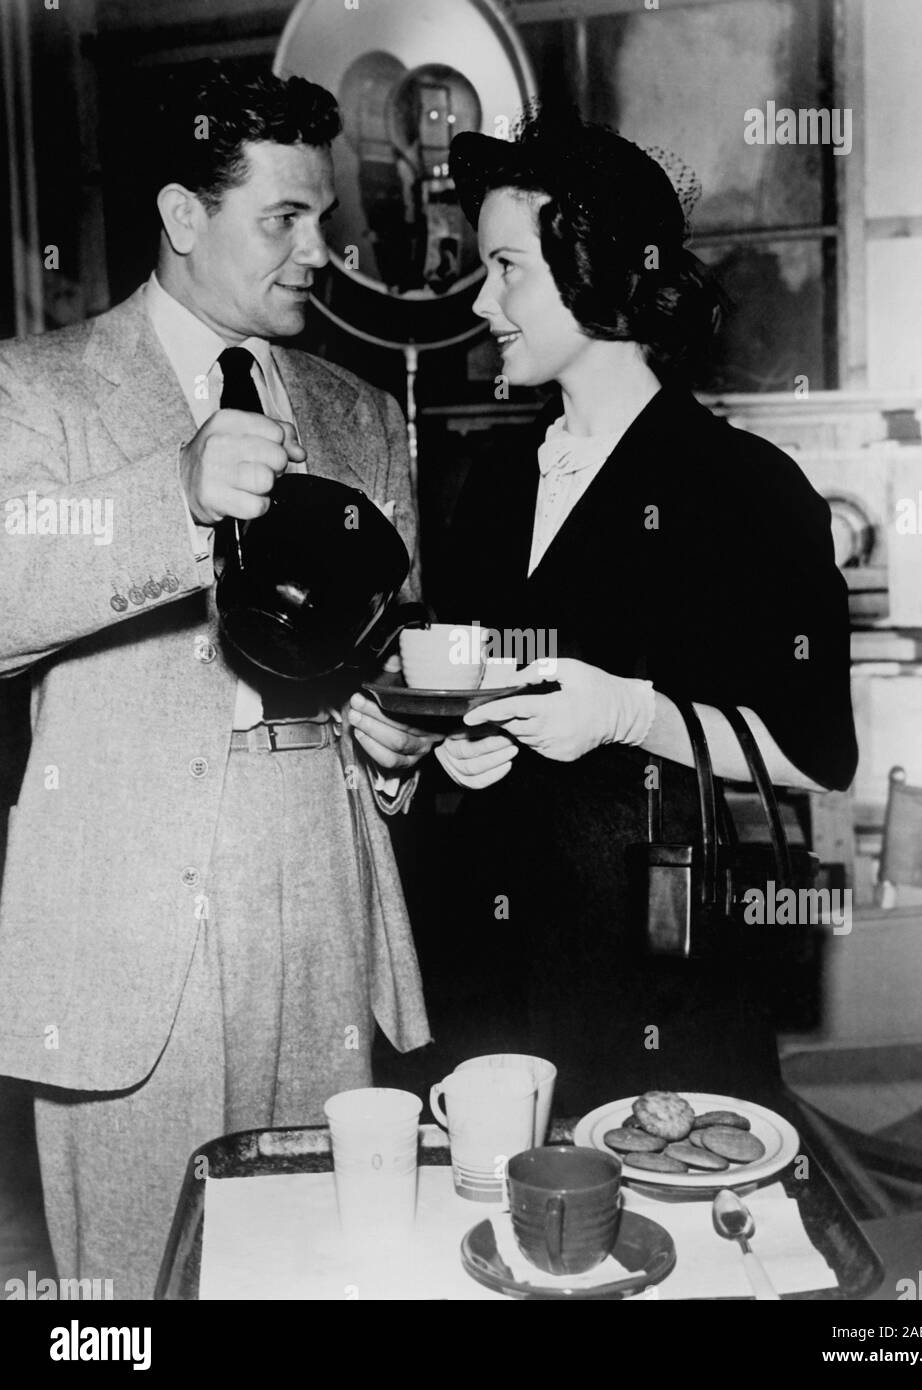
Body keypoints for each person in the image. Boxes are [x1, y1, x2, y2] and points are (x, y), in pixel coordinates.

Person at [0, 68, 440, 1299]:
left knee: (324, 1265)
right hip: (128, 926)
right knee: (136, 1289)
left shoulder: (360, 416)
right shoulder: (36, 391)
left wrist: (392, 743)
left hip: (325, 892)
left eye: (325, 217)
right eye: (283, 219)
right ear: (183, 216)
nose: (321, 250)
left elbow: (384, 657)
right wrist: (175, 496)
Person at [434, 109, 858, 1114]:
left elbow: (817, 753)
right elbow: (463, 672)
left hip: (663, 984)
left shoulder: (745, 489)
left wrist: (630, 713)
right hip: (493, 985)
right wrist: (453, 743)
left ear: (597, 272)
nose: (483, 301)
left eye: (506, 269)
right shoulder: (490, 478)